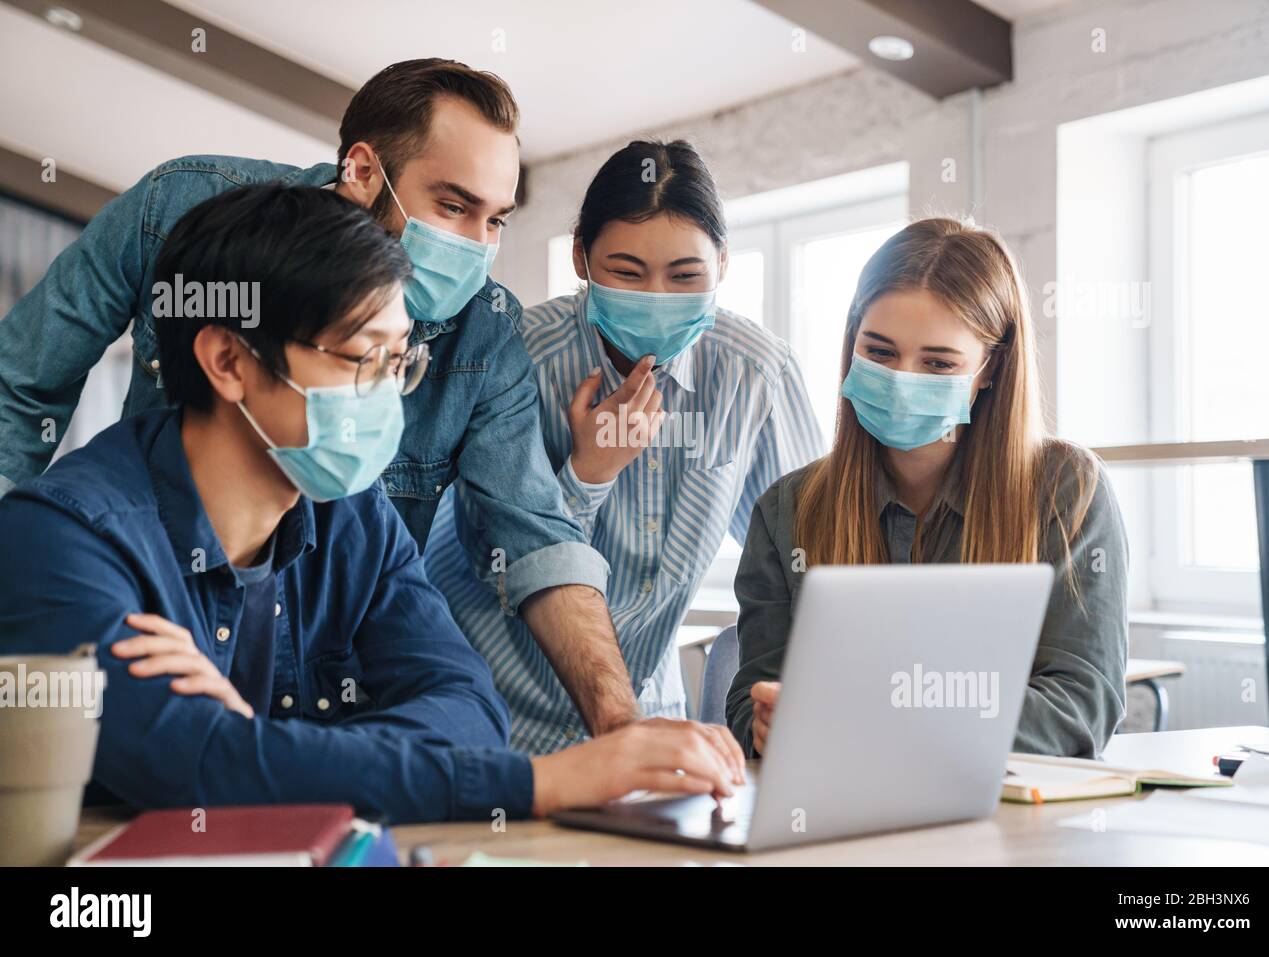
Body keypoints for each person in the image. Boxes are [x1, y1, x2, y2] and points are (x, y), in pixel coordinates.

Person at [0, 185, 746, 823]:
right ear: (228, 360)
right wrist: (541, 781)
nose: (389, 394)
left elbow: (469, 709)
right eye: (362, 359)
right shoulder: (61, 542)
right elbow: (187, 769)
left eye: (401, 362)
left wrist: (252, 745)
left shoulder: (350, 512)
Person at [0, 58, 643, 739]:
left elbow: (536, 536)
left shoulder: (483, 339)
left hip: (325, 679)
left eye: (496, 222)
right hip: (158, 613)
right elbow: (20, 388)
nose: (475, 248)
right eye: (453, 206)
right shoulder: (183, 212)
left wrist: (619, 721)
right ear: (363, 170)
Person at [426, 140, 823, 752]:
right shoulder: (518, 355)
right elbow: (491, 565)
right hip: (497, 718)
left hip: (648, 717)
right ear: (582, 258)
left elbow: (805, 562)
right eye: (627, 272)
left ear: (723, 263)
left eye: (686, 275)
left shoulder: (756, 375)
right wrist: (588, 472)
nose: (658, 298)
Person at [726, 218, 1128, 760]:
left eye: (938, 363)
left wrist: (884, 718)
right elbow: (753, 697)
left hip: (1007, 818)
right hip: (839, 810)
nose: (901, 377)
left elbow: (1080, 707)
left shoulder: (1068, 491)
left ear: (990, 368)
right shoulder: (787, 509)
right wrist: (768, 721)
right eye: (880, 352)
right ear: (851, 343)